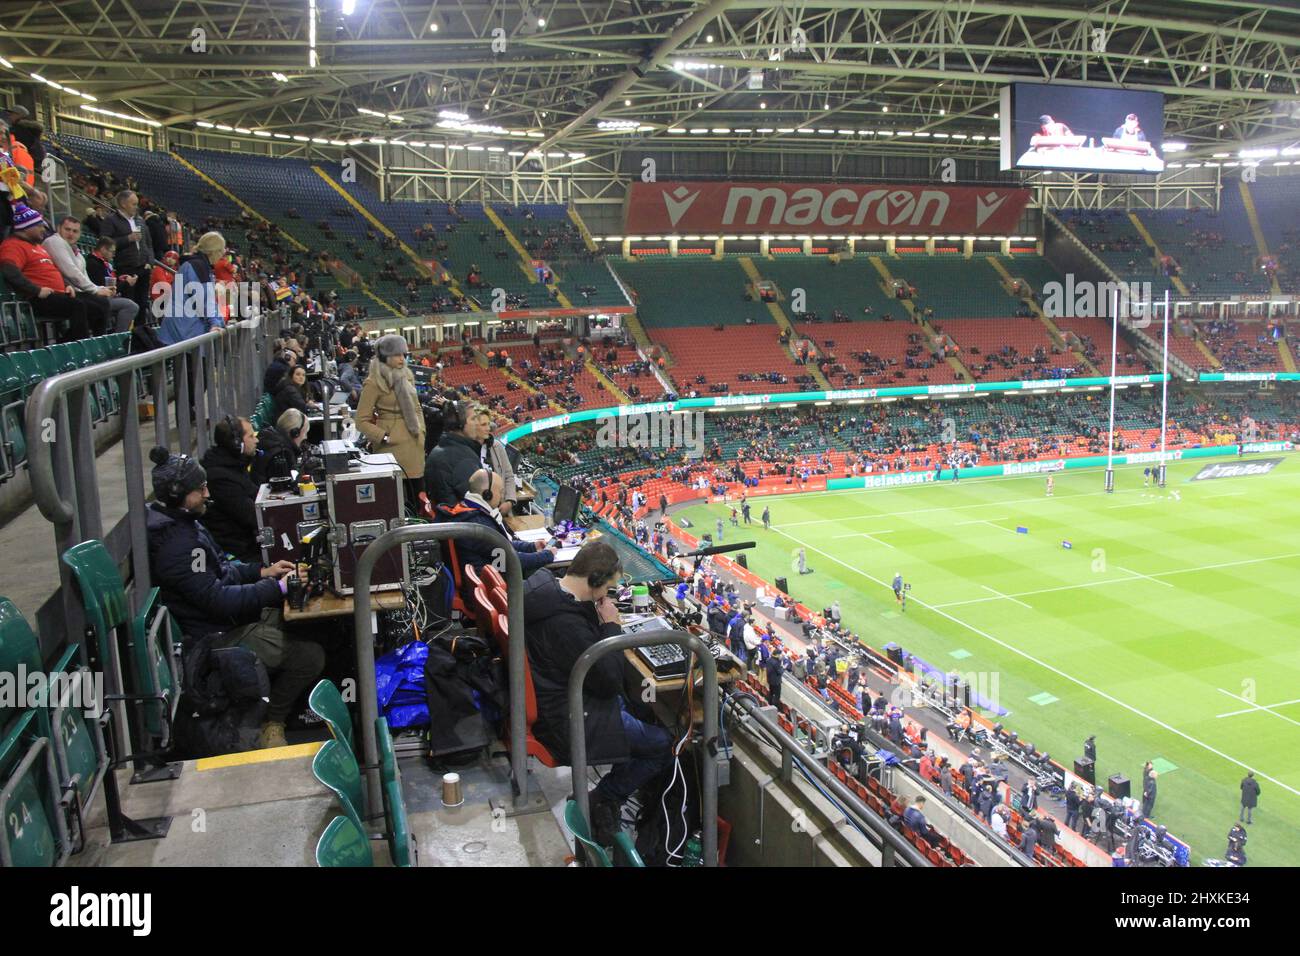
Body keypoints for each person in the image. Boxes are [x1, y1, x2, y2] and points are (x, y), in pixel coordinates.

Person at [144, 446, 324, 749]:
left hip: (223, 622)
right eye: (200, 488)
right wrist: (278, 588)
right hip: (212, 638)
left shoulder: (184, 525)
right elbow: (219, 600)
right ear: (179, 495)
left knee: (311, 627)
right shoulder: (178, 546)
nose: (207, 493)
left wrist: (262, 571)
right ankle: (273, 722)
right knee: (311, 657)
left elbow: (223, 569)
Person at [523, 540, 673, 847]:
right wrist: (611, 626)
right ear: (593, 580)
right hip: (569, 719)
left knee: (640, 708)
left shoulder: (545, 589)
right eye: (607, 587)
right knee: (662, 744)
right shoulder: (566, 625)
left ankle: (609, 799)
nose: (608, 594)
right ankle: (603, 800)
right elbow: (609, 682)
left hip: (556, 700)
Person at [436, 469, 553, 589]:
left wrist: (532, 546)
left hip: (486, 584)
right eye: (500, 492)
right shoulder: (480, 526)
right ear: (487, 494)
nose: (502, 497)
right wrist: (548, 555)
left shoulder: (466, 511)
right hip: (495, 589)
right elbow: (513, 561)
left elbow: (502, 544)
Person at [0, 207, 98, 340]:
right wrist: (37, 290)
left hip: (59, 294)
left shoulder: (37, 246)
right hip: (38, 298)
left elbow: (52, 270)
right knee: (78, 306)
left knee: (97, 307)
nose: (43, 229)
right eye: (39, 226)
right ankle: (77, 346)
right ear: (26, 227)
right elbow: (10, 271)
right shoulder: (12, 245)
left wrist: (66, 285)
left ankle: (71, 344)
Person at [355, 333, 426, 502]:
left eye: (403, 354)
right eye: (396, 354)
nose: (402, 358)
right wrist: (385, 437)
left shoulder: (407, 376)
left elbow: (416, 407)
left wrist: (422, 430)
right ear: (385, 356)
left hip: (414, 444)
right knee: (395, 500)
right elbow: (361, 420)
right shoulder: (374, 382)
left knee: (418, 497)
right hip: (391, 450)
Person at [44, 215, 138, 333]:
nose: (71, 234)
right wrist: (95, 290)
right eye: (67, 229)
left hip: (76, 292)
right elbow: (71, 272)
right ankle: (94, 339)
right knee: (99, 304)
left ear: (79, 234)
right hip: (61, 292)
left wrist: (101, 289)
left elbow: (84, 277)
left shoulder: (77, 253)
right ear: (58, 228)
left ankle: (98, 338)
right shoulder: (54, 241)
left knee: (101, 303)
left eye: (75, 231)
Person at [200, 416, 262, 562]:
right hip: (238, 552)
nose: (256, 440)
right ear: (237, 444)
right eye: (251, 436)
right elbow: (253, 516)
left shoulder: (235, 465)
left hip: (246, 543)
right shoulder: (220, 477)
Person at [425, 398, 491, 508]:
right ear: (459, 423)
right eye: (473, 419)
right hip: (463, 517)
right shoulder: (464, 459)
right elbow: (481, 502)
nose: (477, 423)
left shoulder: (442, 447)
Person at [99, 190, 154, 315]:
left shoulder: (140, 220)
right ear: (123, 204)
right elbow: (104, 243)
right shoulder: (111, 220)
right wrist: (127, 239)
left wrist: (150, 262)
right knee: (130, 304)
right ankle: (128, 327)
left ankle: (141, 328)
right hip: (125, 269)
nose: (136, 207)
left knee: (142, 304)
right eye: (133, 204)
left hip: (143, 268)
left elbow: (149, 243)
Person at [250, 408, 308, 487]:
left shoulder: (272, 440)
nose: (305, 437)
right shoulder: (282, 453)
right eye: (305, 433)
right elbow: (285, 488)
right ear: (295, 433)